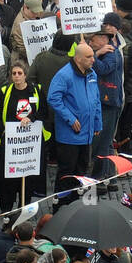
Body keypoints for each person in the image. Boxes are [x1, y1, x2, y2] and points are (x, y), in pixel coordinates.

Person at [48, 41, 102, 182]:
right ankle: (62, 202)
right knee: (67, 172)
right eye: (89, 57)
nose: (93, 60)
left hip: (87, 133)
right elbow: (53, 98)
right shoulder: (64, 75)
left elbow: (96, 100)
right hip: (70, 135)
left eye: (93, 56)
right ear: (78, 59)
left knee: (82, 170)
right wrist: (70, 119)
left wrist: (97, 122)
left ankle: (77, 201)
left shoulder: (92, 74)